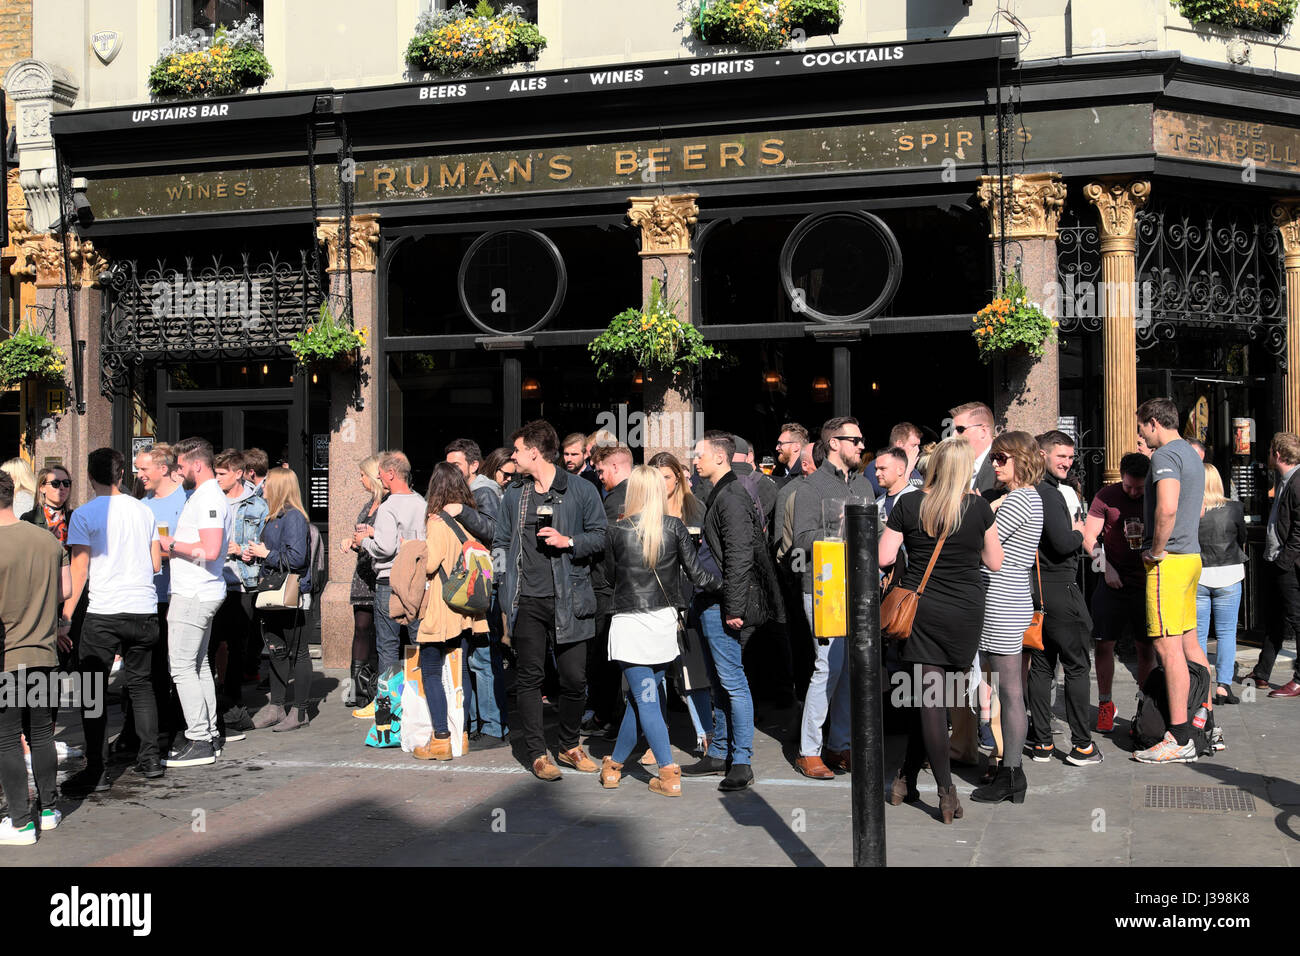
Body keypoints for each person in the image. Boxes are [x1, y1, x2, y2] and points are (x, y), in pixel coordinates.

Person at [879, 438, 1002, 824]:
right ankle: (905, 780)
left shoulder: (910, 504)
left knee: (928, 700)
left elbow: (883, 557)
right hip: (965, 611)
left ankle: (942, 790)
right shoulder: (978, 507)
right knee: (937, 698)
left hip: (922, 609)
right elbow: (994, 562)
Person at [492, 420, 607, 781]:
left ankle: (569, 745)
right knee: (530, 677)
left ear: (534, 452)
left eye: (518, 450)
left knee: (574, 679)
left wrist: (568, 541)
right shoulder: (514, 494)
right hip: (527, 599)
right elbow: (499, 541)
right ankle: (538, 752)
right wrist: (502, 581)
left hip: (570, 598)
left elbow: (601, 536)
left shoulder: (580, 489)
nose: (513, 456)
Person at [600, 466, 721, 795]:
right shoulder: (675, 527)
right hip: (664, 623)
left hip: (630, 623)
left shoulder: (616, 531)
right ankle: (614, 766)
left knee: (645, 699)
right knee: (643, 700)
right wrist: (730, 588)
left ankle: (668, 772)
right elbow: (698, 576)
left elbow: (610, 578)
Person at [60, 448, 164, 794]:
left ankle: (98, 770)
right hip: (143, 607)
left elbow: (79, 569)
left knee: (93, 692)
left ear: (90, 477)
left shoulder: (85, 515)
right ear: (121, 475)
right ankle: (150, 759)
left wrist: (65, 617)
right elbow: (155, 564)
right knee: (141, 684)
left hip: (104, 611)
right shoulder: (143, 511)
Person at [682, 430, 779, 793]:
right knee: (719, 680)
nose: (694, 461)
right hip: (712, 600)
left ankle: (741, 761)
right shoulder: (722, 492)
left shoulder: (732, 495)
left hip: (723, 603)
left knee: (733, 681)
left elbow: (740, 555)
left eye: (700, 455)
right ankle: (719, 752)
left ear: (721, 457)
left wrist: (734, 607)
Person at [1133, 397, 1212, 763]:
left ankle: (1179, 736)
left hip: (1171, 560)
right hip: (1192, 556)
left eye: (1140, 428)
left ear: (1152, 423)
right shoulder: (1192, 455)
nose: (1140, 435)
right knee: (1191, 641)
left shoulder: (1165, 456)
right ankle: (1203, 720)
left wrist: (1157, 549)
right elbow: (1195, 508)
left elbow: (1167, 506)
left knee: (1167, 647)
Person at [790, 416, 870, 779]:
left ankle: (840, 745)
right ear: (834, 443)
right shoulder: (811, 488)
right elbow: (801, 542)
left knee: (850, 669)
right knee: (828, 666)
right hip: (823, 588)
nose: (861, 446)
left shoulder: (865, 486)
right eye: (855, 440)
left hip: (859, 588)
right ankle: (809, 750)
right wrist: (840, 531)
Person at [970, 432, 1043, 803]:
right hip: (1002, 599)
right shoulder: (1015, 498)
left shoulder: (1020, 500)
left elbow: (985, 545)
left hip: (1001, 600)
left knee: (1009, 691)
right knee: (1006, 690)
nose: (994, 464)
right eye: (994, 458)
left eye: (1001, 458)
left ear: (1020, 460)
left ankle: (1012, 772)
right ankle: (1009, 771)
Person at [157, 437, 235, 769]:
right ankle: (209, 733)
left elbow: (213, 550)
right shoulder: (205, 496)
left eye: (181, 466)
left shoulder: (208, 498)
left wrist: (172, 543)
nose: (178, 471)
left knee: (182, 667)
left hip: (195, 593)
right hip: (200, 591)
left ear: (197, 464)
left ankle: (200, 738)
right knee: (198, 664)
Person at [1026, 429, 1102, 766]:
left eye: (1071, 458)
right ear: (1042, 455)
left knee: (1042, 667)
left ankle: (1042, 744)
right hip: (1060, 588)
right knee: (1076, 667)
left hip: (1037, 591)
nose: (1068, 463)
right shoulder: (1049, 493)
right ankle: (1082, 746)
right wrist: (1078, 530)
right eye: (1061, 457)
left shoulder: (1027, 490)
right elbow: (1061, 542)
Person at [0, 471, 65, 843]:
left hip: (8, 656)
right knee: (40, 734)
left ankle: (21, 821)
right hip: (43, 651)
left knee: (8, 739)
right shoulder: (47, 541)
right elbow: (64, 591)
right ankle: (47, 808)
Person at [412, 463, 490, 760]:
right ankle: (463, 735)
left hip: (442, 607)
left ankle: (441, 739)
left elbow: (430, 565)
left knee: (431, 670)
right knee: (461, 671)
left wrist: (414, 549)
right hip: (466, 607)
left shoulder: (437, 522)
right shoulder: (468, 520)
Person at [1083, 453, 1155, 733]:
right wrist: (1105, 568)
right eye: (1129, 487)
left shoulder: (1156, 494)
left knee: (1145, 647)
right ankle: (1105, 704)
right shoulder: (1106, 495)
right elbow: (1089, 538)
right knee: (1104, 644)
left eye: (1139, 488)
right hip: (1112, 580)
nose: (1134, 492)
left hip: (1145, 582)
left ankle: (1145, 705)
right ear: (1120, 477)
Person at [123, 444, 187, 753]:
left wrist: (164, 549)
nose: (139, 474)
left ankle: (177, 728)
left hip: (178, 595)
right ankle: (142, 730)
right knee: (148, 668)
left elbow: (201, 547)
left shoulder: (186, 501)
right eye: (136, 468)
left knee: (176, 666)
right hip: (147, 597)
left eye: (144, 468)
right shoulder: (141, 505)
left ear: (163, 468)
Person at [649, 451, 713, 752]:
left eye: (667, 477)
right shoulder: (645, 510)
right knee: (654, 672)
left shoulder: (694, 507)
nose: (662, 484)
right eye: (657, 478)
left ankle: (705, 735)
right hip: (653, 595)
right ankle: (655, 741)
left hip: (688, 595)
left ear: (678, 477)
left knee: (692, 670)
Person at [244, 468, 314, 732]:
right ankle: (276, 706)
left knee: (298, 652)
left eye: (266, 484)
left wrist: (266, 553)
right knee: (276, 650)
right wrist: (256, 554)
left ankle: (300, 710)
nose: (261, 488)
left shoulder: (293, 517)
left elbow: (297, 558)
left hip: (291, 594)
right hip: (273, 592)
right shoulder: (274, 517)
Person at [355, 451, 427, 678]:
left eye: (381, 473)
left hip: (390, 581)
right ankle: (421, 699)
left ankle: (389, 707)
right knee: (419, 642)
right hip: (417, 580)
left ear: (391, 474)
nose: (379, 478)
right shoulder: (421, 502)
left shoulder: (389, 506)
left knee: (387, 646)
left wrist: (364, 541)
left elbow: (384, 548)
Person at [212, 448, 267, 738]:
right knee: (210, 645)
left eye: (221, 473)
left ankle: (233, 704)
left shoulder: (258, 505)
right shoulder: (210, 499)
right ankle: (213, 703)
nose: (216, 478)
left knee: (236, 646)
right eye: (215, 472)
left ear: (237, 473)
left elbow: (264, 544)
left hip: (243, 582)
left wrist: (243, 550)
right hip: (212, 581)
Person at [585, 443, 633, 739]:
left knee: (606, 656)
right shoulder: (635, 495)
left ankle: (608, 716)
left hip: (610, 587)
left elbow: (608, 548)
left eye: (601, 470)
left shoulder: (617, 500)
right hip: (621, 586)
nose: (599, 476)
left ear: (615, 466)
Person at [1247, 432, 1300, 695]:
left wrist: (1284, 561)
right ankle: (1262, 672)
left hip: (1287, 564)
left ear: (1277, 454)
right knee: (1274, 619)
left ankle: (1299, 679)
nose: (1267, 454)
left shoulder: (1297, 482)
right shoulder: (1284, 481)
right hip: (1277, 561)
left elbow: (1299, 530)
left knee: (1296, 619)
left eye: (1269, 450)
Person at [1196, 462, 1246, 706]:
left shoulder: (1192, 509)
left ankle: (1201, 687)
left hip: (1198, 575)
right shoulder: (1234, 508)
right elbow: (1242, 537)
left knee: (1199, 635)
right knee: (1227, 633)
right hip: (1229, 573)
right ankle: (1224, 686)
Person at [342, 454, 384, 713]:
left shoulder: (388, 504)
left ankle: (373, 687)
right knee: (360, 628)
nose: (360, 479)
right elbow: (360, 533)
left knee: (377, 632)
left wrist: (367, 537)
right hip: (362, 573)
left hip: (378, 575)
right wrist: (351, 541)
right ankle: (357, 688)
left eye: (362, 475)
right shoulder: (369, 504)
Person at [863, 423, 924, 496]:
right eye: (914, 445)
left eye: (918, 446)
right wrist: (907, 470)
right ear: (899, 444)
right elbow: (890, 497)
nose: (917, 450)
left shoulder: (914, 470)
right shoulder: (877, 467)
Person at [950, 402, 997, 492]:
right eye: (954, 430)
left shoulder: (1004, 464)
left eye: (960, 429)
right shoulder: (957, 467)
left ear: (983, 431)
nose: (954, 435)